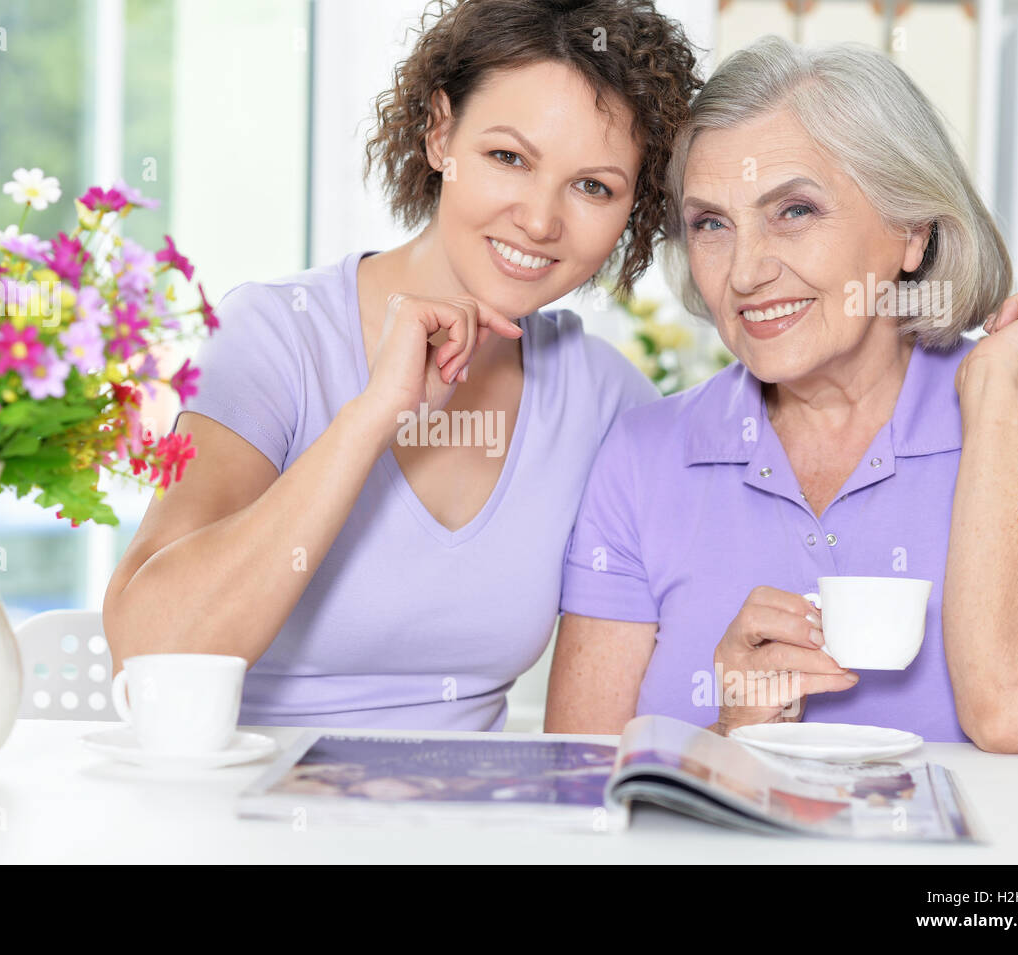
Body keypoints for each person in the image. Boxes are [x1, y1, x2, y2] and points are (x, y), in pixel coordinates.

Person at [102, 0, 700, 730]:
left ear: (633, 208)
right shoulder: (276, 337)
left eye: (593, 186)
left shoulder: (606, 401)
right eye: (508, 157)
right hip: (245, 821)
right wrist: (369, 420)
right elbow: (148, 650)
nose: (541, 221)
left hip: (465, 828)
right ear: (440, 133)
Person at [546, 35, 1018, 752]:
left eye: (794, 211)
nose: (745, 272)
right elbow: (575, 791)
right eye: (711, 223)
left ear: (911, 233)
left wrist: (994, 390)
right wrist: (730, 734)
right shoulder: (643, 456)